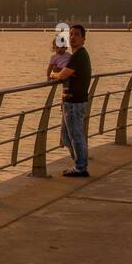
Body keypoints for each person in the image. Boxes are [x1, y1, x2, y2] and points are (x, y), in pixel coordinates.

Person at [50, 24, 91, 177]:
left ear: (83, 39)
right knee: (66, 137)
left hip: (75, 102)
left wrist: (54, 75)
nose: (73, 37)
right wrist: (62, 73)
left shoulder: (79, 55)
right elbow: (66, 73)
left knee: (75, 135)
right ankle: (79, 163)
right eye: (71, 34)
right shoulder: (77, 56)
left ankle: (81, 167)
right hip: (70, 101)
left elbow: (62, 75)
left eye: (77, 35)